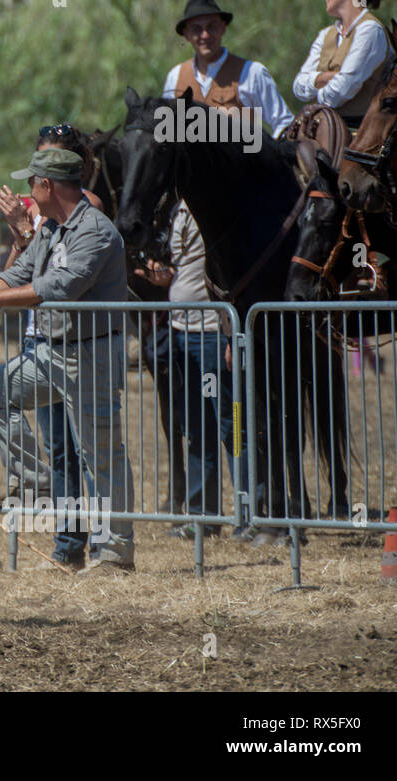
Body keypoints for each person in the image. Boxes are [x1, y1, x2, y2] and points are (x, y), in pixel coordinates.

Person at [0, 148, 136, 573]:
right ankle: (36, 481)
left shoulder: (95, 231)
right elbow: (20, 272)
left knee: (99, 454)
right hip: (51, 352)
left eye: (32, 183)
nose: (28, 191)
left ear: (48, 186)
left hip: (91, 354)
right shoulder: (51, 230)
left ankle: (116, 553)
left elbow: (62, 286)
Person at [133, 201, 240, 541]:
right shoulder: (174, 209)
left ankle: (248, 514)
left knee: (228, 424)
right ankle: (201, 517)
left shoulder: (210, 204)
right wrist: (162, 275)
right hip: (181, 333)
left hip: (210, 333)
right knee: (195, 427)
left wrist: (227, 335)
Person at [164, 0, 294, 138]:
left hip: (246, 160)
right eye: (196, 29)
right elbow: (167, 134)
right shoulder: (175, 77)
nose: (205, 35)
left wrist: (267, 155)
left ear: (223, 28)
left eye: (212, 27)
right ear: (187, 35)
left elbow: (284, 123)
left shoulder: (252, 73)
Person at [292, 0, 394, 131]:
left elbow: (341, 91)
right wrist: (326, 77)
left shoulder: (370, 31)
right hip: (326, 131)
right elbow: (298, 87)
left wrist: (317, 87)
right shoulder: (325, 35)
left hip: (361, 139)